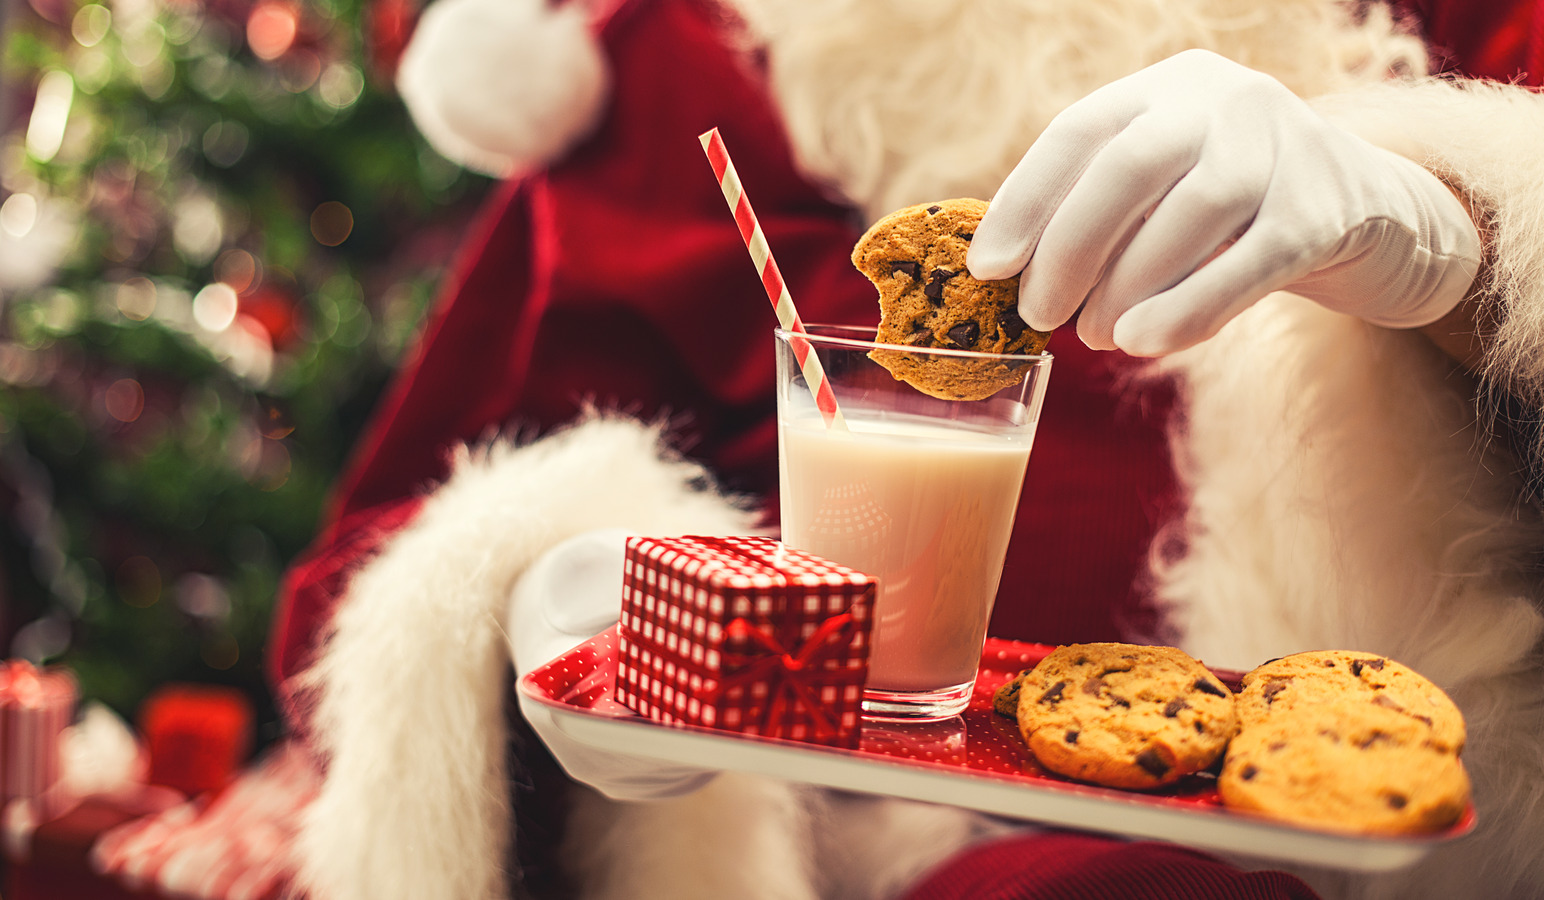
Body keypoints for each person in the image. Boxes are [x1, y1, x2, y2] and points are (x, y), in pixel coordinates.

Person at [271, 0, 1544, 898]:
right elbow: (396, 545)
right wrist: (570, 616)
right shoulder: (687, 55)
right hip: (872, 842)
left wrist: (1457, 234)